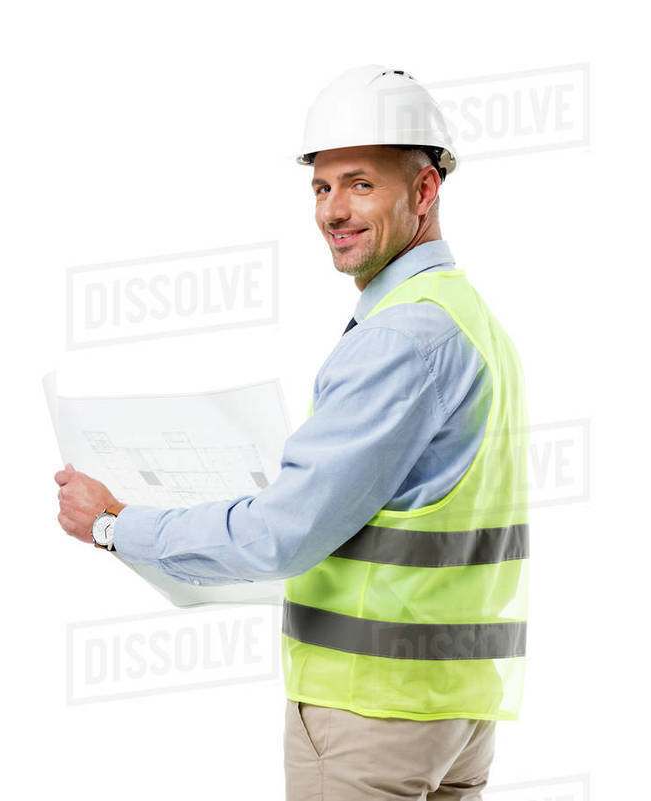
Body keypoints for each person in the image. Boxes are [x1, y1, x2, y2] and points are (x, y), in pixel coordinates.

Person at [53, 65, 530, 800]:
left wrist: (115, 524)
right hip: (454, 710)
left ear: (425, 190)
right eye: (321, 186)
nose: (333, 210)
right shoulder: (469, 319)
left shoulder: (401, 336)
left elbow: (282, 535)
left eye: (361, 184)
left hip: (370, 714)